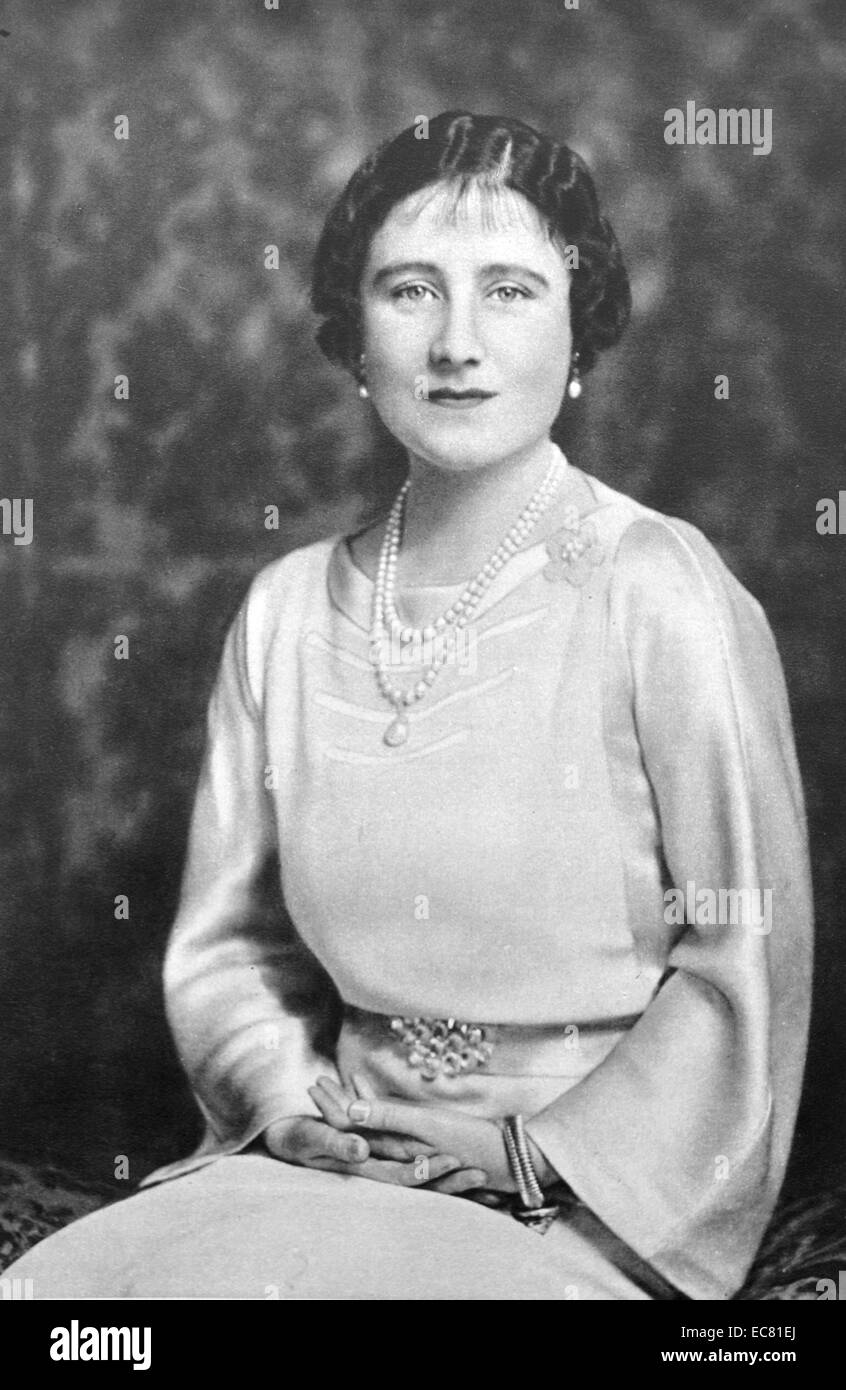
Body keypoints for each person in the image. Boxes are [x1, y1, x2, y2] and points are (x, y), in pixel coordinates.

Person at [6, 110, 813, 1301]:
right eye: (411, 290)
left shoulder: (663, 588)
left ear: (579, 336)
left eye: (511, 292)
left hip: (576, 1197)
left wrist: (525, 1152)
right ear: (353, 337)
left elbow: (743, 958)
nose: (457, 344)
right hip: (338, 1161)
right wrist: (289, 1109)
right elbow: (232, 947)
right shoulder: (285, 611)